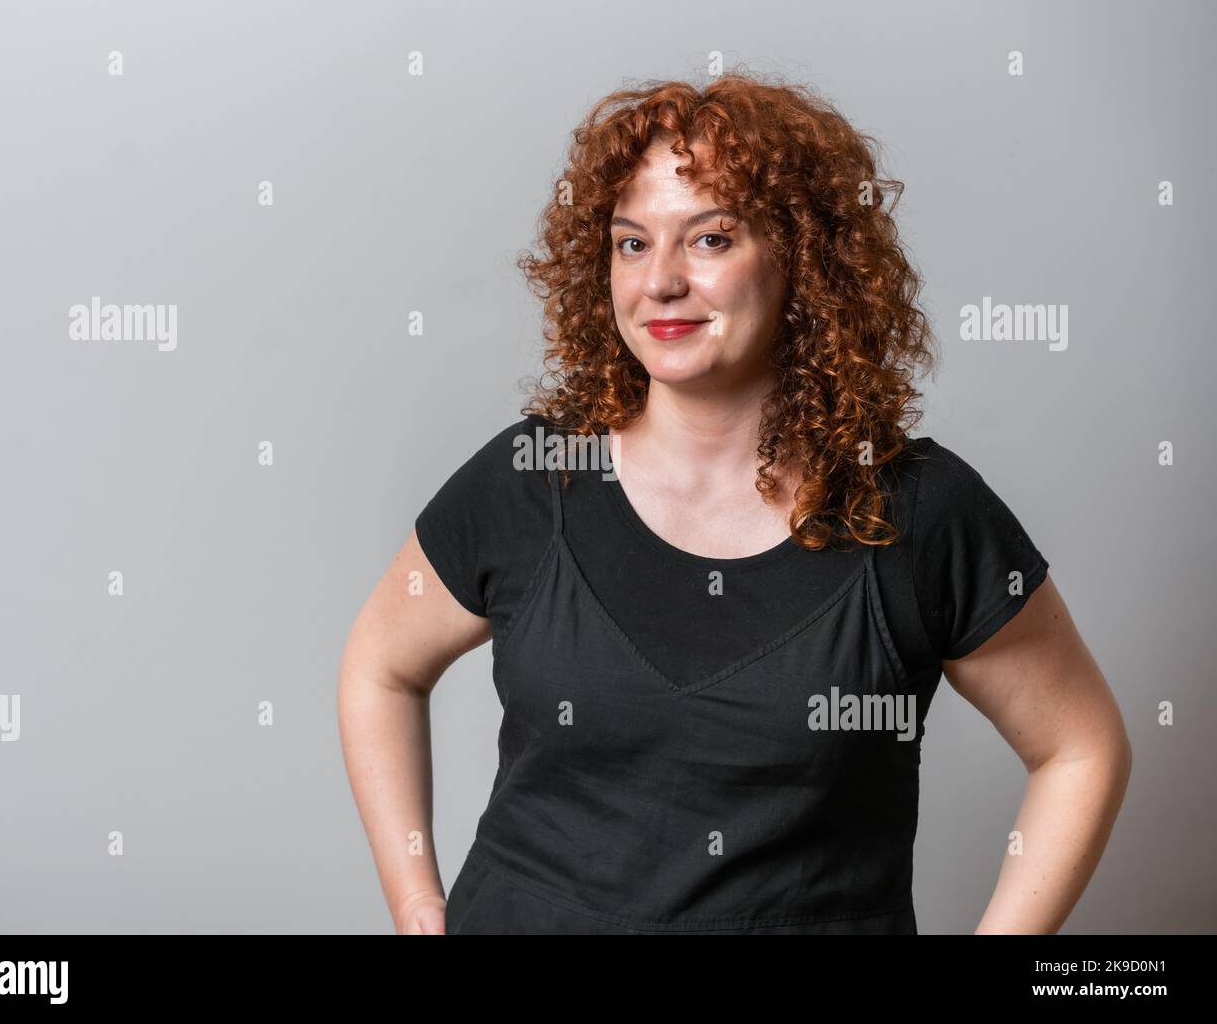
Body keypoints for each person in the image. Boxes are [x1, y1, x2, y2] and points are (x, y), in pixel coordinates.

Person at [337, 72, 1131, 934]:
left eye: (710, 239)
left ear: (803, 257)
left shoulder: (916, 511)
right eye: (631, 244)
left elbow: (1080, 750)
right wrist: (417, 903)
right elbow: (380, 667)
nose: (661, 282)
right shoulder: (535, 476)